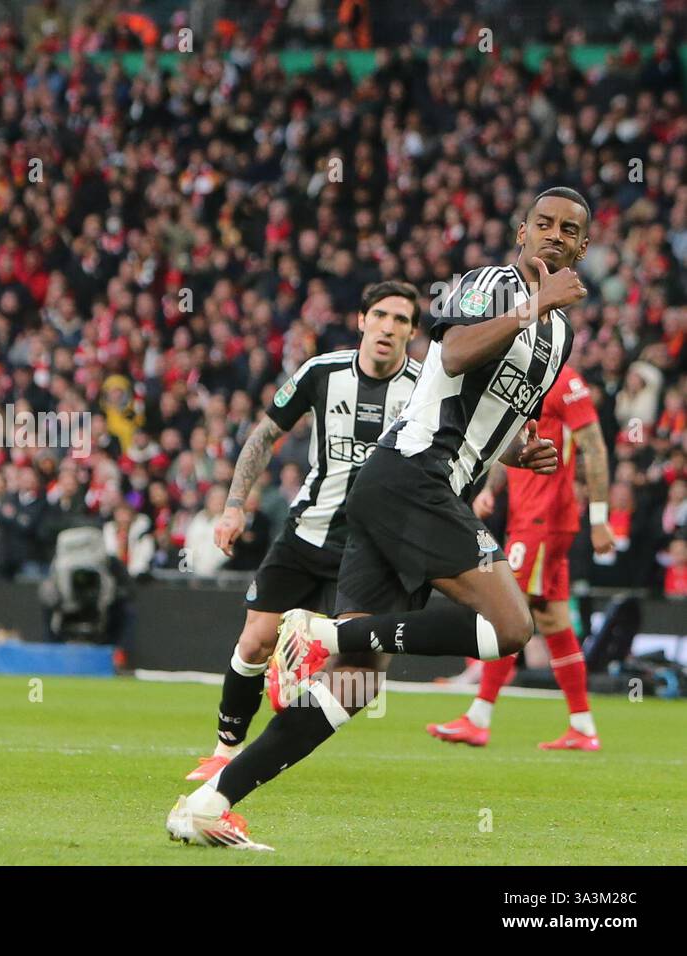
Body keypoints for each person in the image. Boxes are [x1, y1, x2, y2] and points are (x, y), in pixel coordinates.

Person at [168, 187, 587, 848]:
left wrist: (519, 451)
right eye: (544, 224)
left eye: (569, 230)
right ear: (521, 232)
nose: (555, 236)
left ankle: (207, 803)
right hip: (411, 477)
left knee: (356, 686)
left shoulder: (558, 333)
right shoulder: (492, 285)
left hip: (415, 490)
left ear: (582, 247)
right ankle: (321, 633)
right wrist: (534, 303)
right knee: (510, 626)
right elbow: (448, 356)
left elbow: (475, 404)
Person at [182, 281, 421, 783]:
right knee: (254, 642)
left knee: (364, 679)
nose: (388, 327)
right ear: (361, 321)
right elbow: (265, 434)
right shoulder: (321, 372)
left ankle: (290, 717)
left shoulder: (425, 389)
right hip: (307, 533)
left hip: (373, 551)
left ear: (413, 332)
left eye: (401, 320)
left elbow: (471, 440)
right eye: (380, 315)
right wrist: (233, 507)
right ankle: (227, 750)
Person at [428, 363, 614, 749]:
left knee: (507, 608)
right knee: (553, 620)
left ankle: (479, 717)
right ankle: (582, 726)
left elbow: (594, 445)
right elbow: (508, 440)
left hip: (545, 519)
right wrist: (490, 490)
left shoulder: (566, 381)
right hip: (528, 517)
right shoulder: (519, 375)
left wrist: (599, 519)